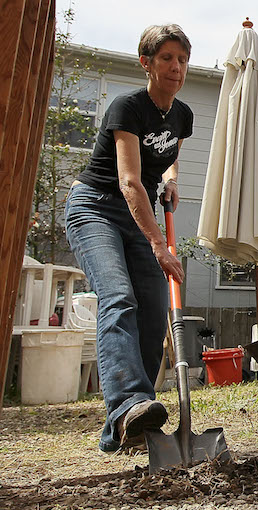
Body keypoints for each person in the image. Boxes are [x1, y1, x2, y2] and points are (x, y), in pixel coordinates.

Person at [64, 24, 192, 453]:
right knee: (119, 297)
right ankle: (132, 402)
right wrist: (160, 244)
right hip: (96, 207)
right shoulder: (127, 107)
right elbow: (131, 182)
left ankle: (123, 426)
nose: (176, 67)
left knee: (154, 312)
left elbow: (170, 153)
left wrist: (172, 179)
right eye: (166, 59)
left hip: (138, 215)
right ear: (147, 64)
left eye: (182, 59)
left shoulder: (182, 115)